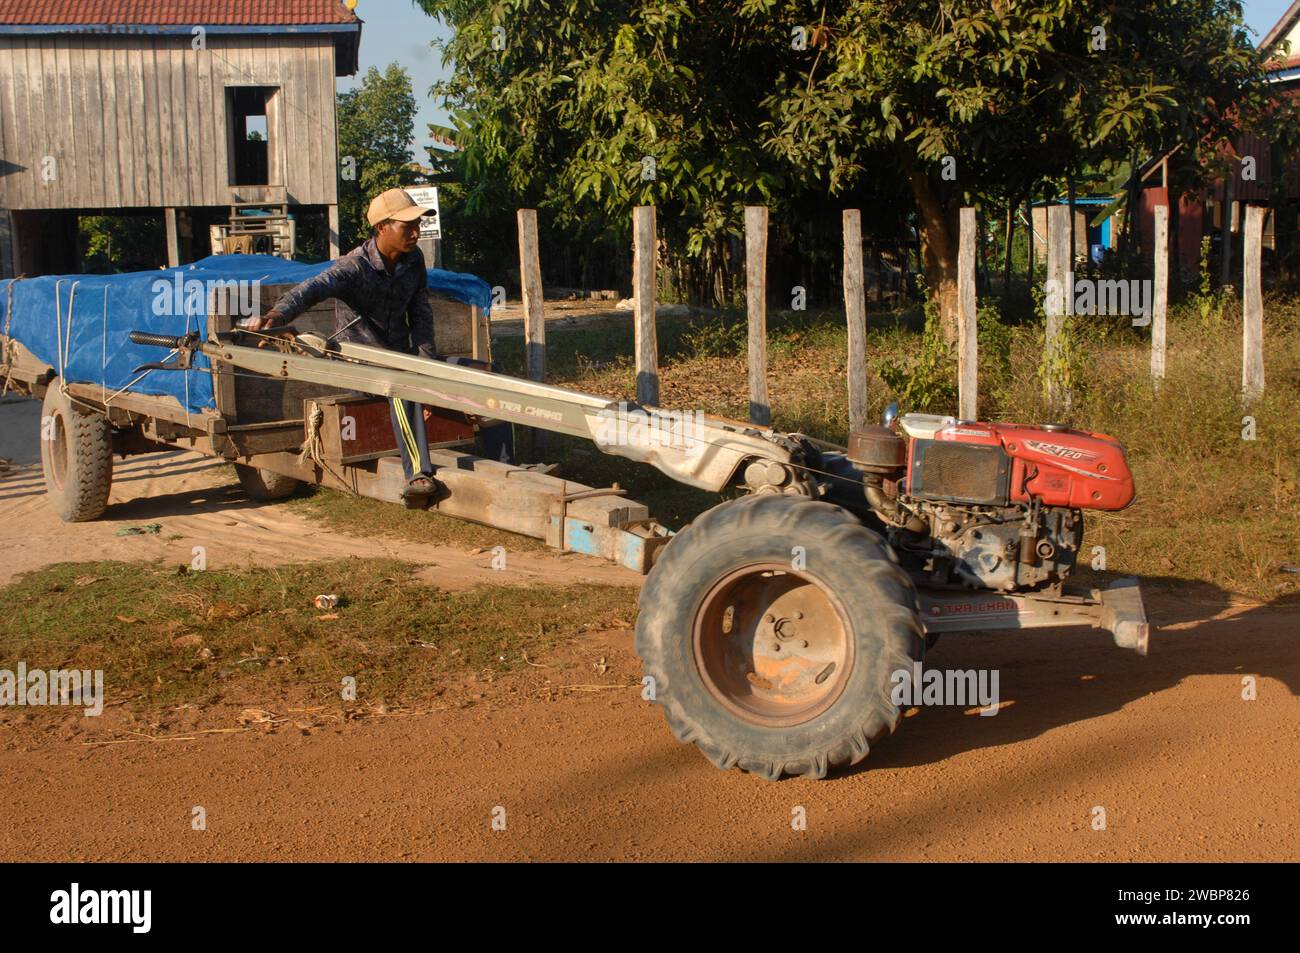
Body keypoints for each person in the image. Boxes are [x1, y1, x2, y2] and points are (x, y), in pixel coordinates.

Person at [245, 188, 441, 506]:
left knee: (479, 376)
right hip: (360, 367)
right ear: (382, 227)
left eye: (418, 224)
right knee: (404, 388)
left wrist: (429, 365)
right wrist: (277, 313)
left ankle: (506, 458)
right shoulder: (354, 266)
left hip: (402, 360)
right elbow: (314, 288)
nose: (417, 233)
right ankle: (418, 475)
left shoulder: (413, 260)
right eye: (408, 226)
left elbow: (421, 313)